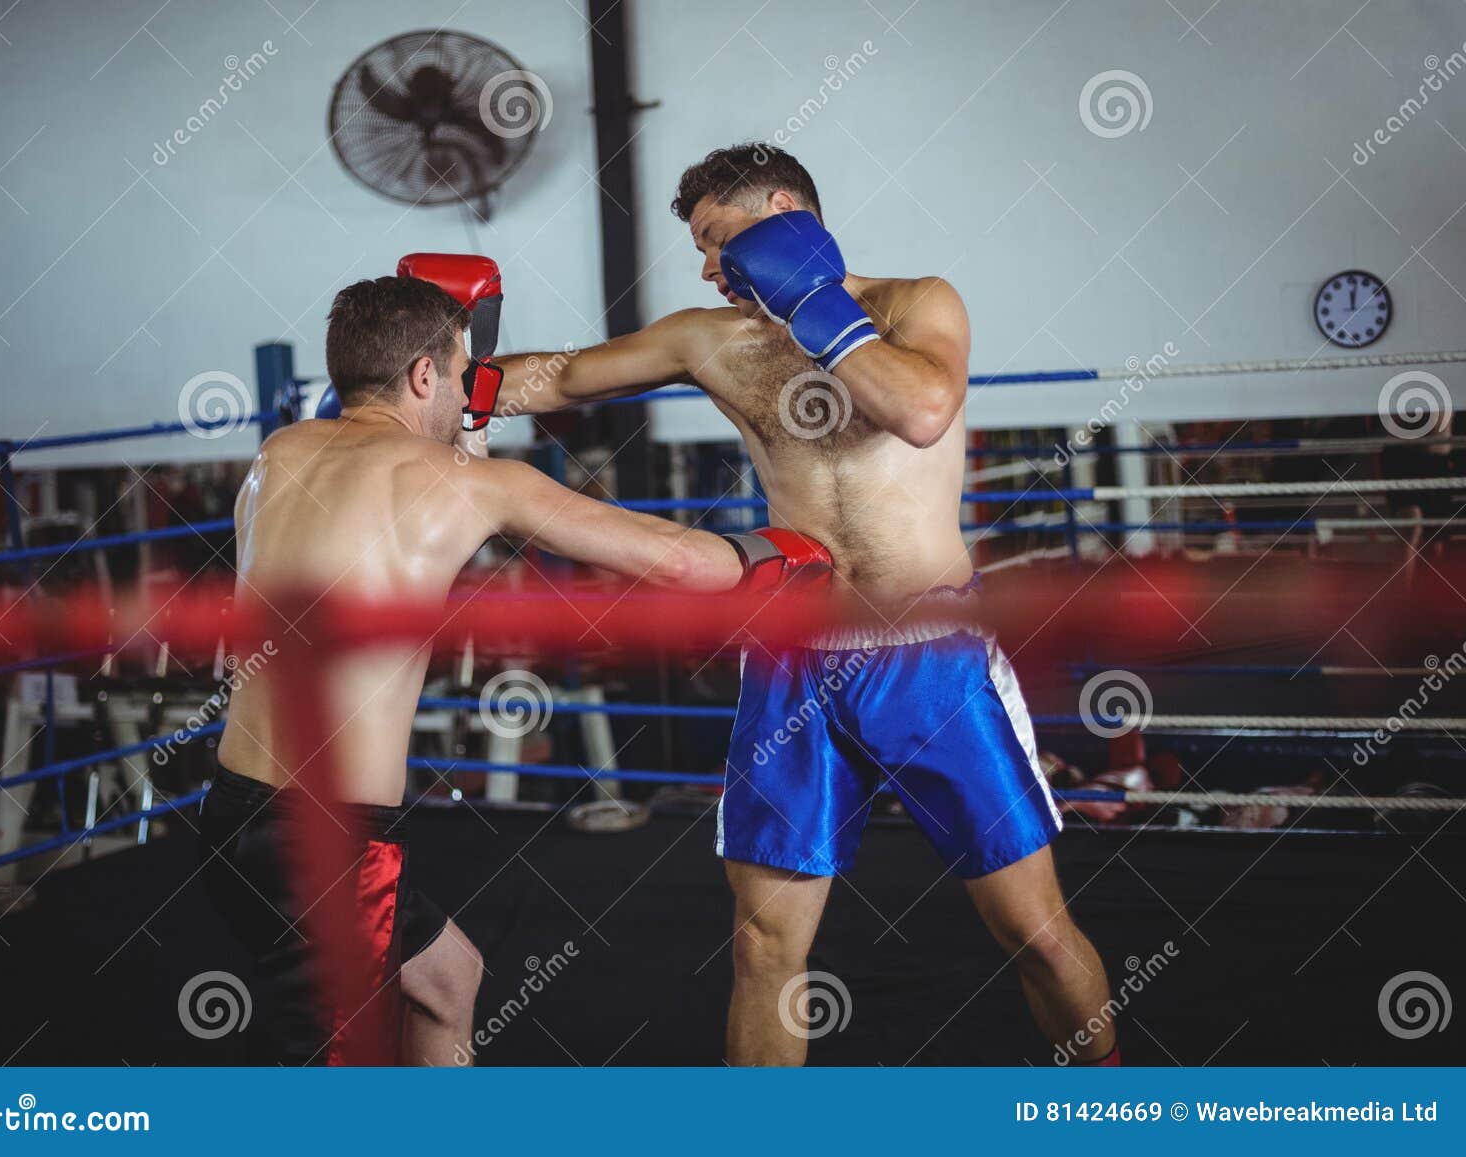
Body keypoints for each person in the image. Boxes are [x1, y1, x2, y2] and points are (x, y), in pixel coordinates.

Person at [491, 145, 1118, 1066]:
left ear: (782, 211)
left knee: (1034, 932)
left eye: (715, 239)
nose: (705, 266)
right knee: (763, 943)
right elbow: (566, 376)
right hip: (797, 656)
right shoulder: (709, 337)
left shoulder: (914, 304)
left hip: (931, 648)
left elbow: (922, 410)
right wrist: (444, 377)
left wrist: (811, 300)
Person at [203, 261, 758, 1066]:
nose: (474, 394)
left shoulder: (279, 454)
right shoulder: (479, 486)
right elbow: (684, 564)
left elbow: (374, 526)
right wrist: (796, 552)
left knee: (449, 979)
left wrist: (459, 447)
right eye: (465, 377)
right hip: (327, 843)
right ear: (425, 373)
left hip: (234, 809)